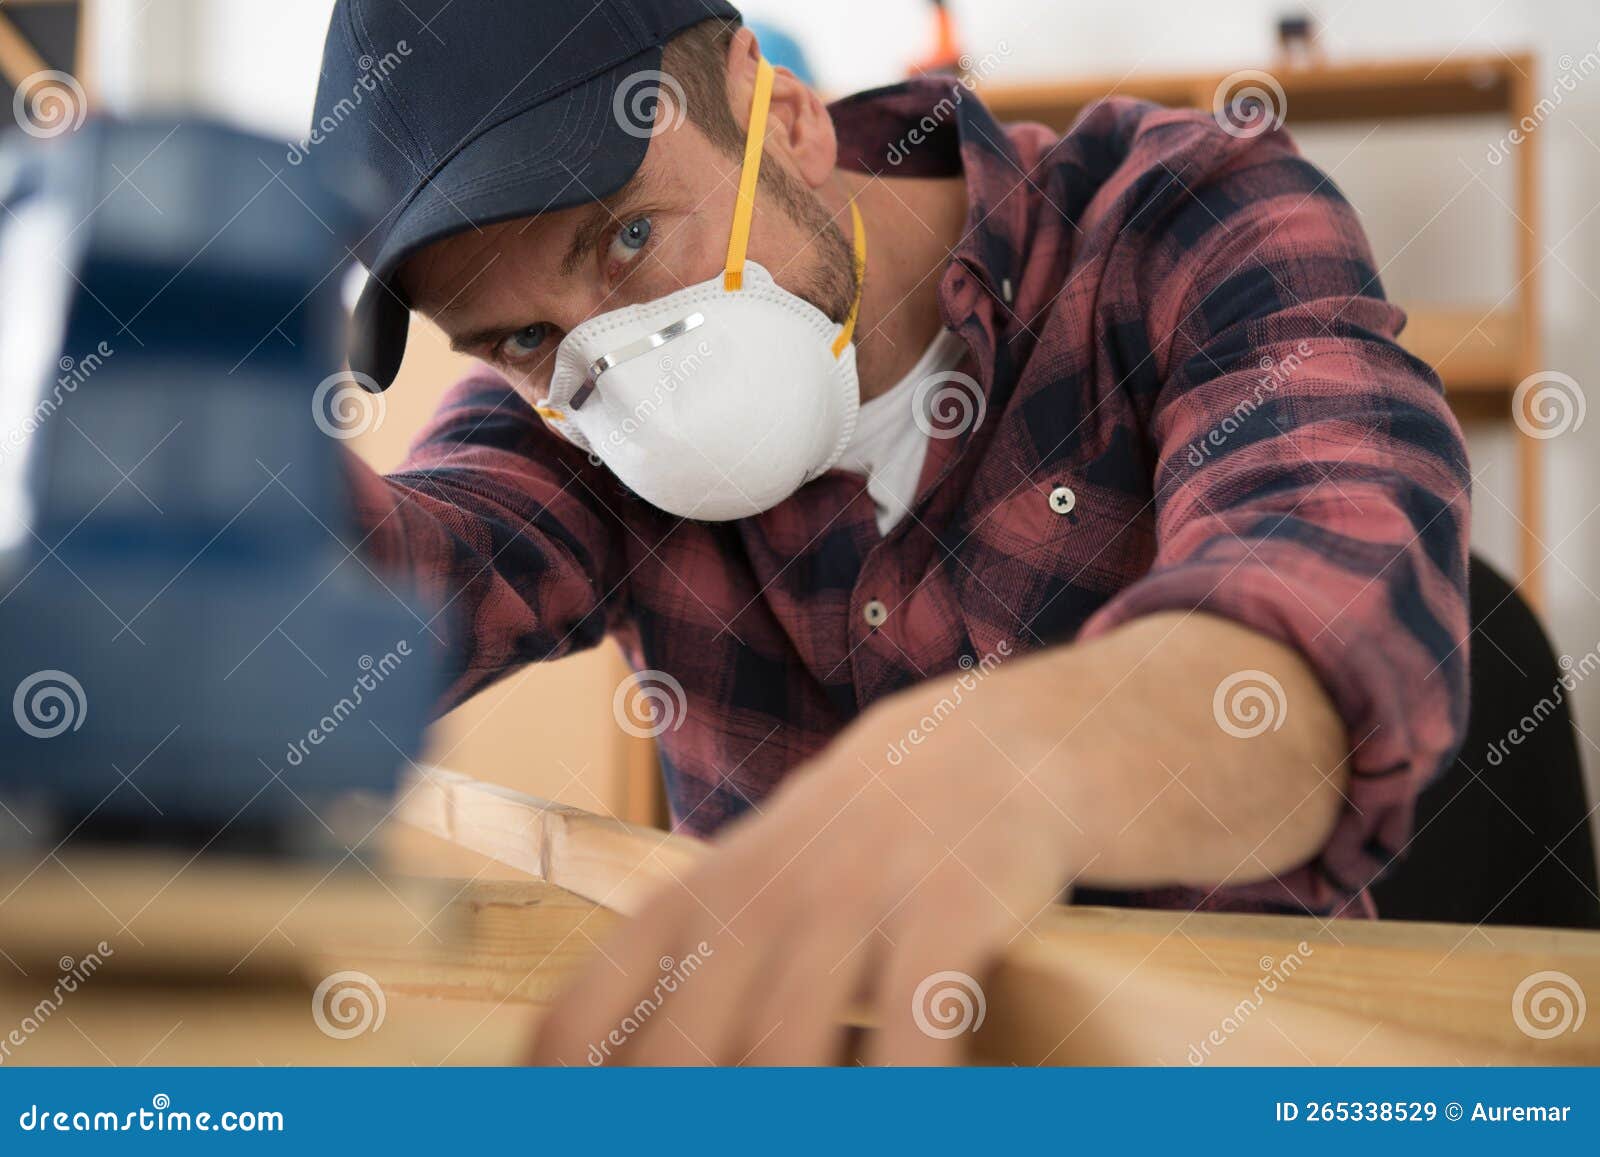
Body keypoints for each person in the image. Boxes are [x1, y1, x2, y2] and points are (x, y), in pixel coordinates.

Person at [314, 0, 1471, 1064]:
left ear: (786, 116)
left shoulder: (1180, 222)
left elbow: (1334, 602)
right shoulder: (573, 421)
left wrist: (1012, 763)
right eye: (520, 337)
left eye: (626, 242)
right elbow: (383, 581)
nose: (612, 370)